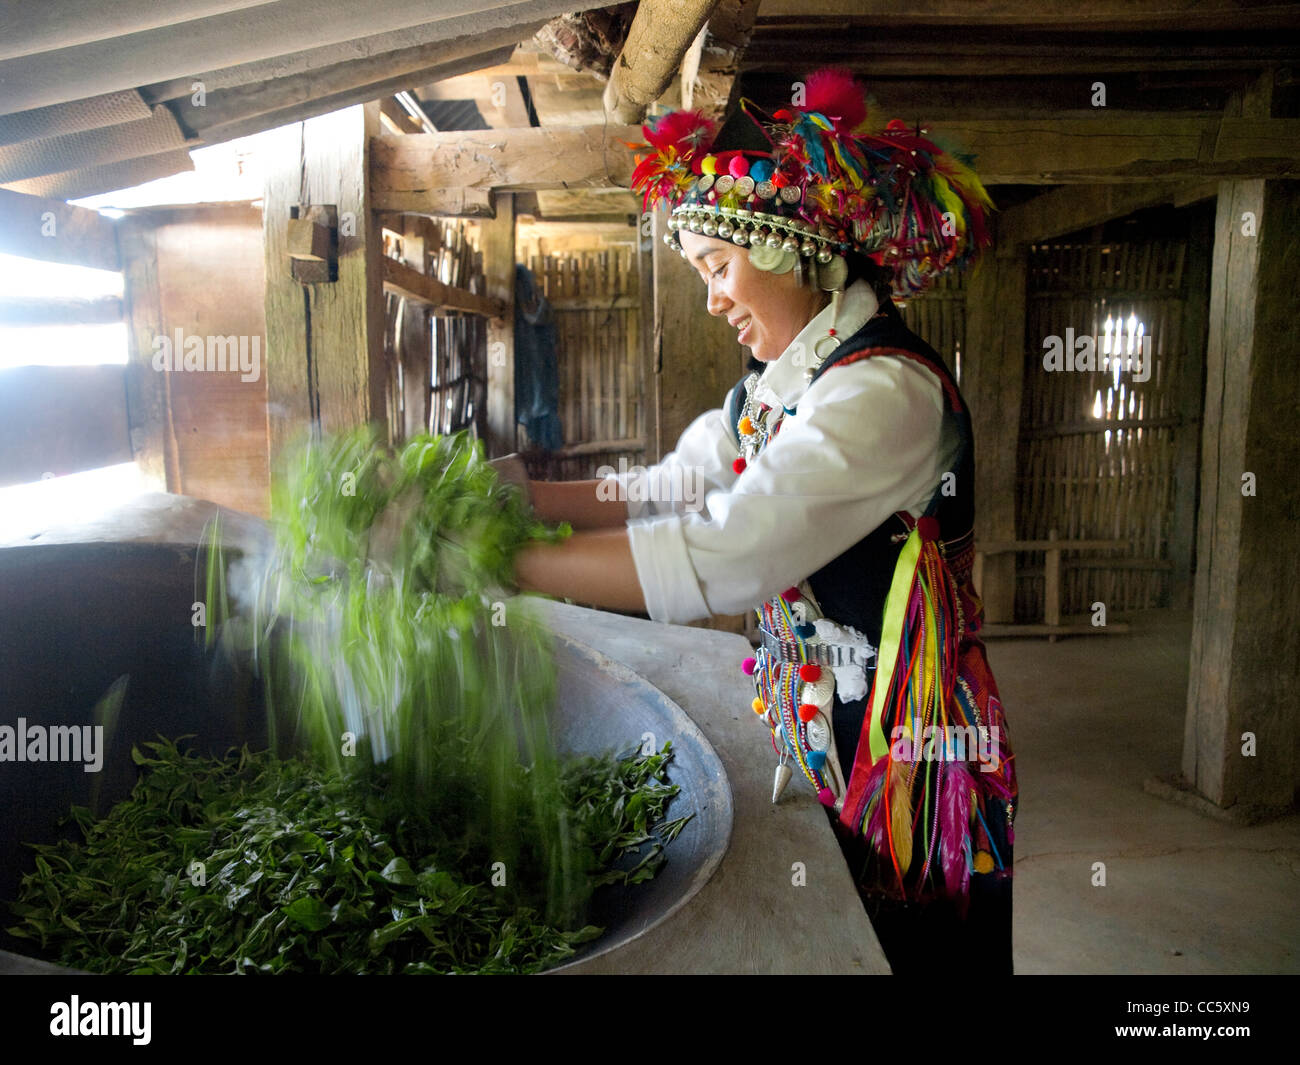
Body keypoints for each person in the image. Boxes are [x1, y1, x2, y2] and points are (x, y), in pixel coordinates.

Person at [512, 69, 1018, 974]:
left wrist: (512, 565)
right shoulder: (769, 393)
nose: (713, 299)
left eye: (718, 267)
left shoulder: (883, 392)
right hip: (825, 726)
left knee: (922, 949)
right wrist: (526, 498)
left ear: (788, 248)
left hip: (910, 751)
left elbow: (729, 553)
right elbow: (670, 485)